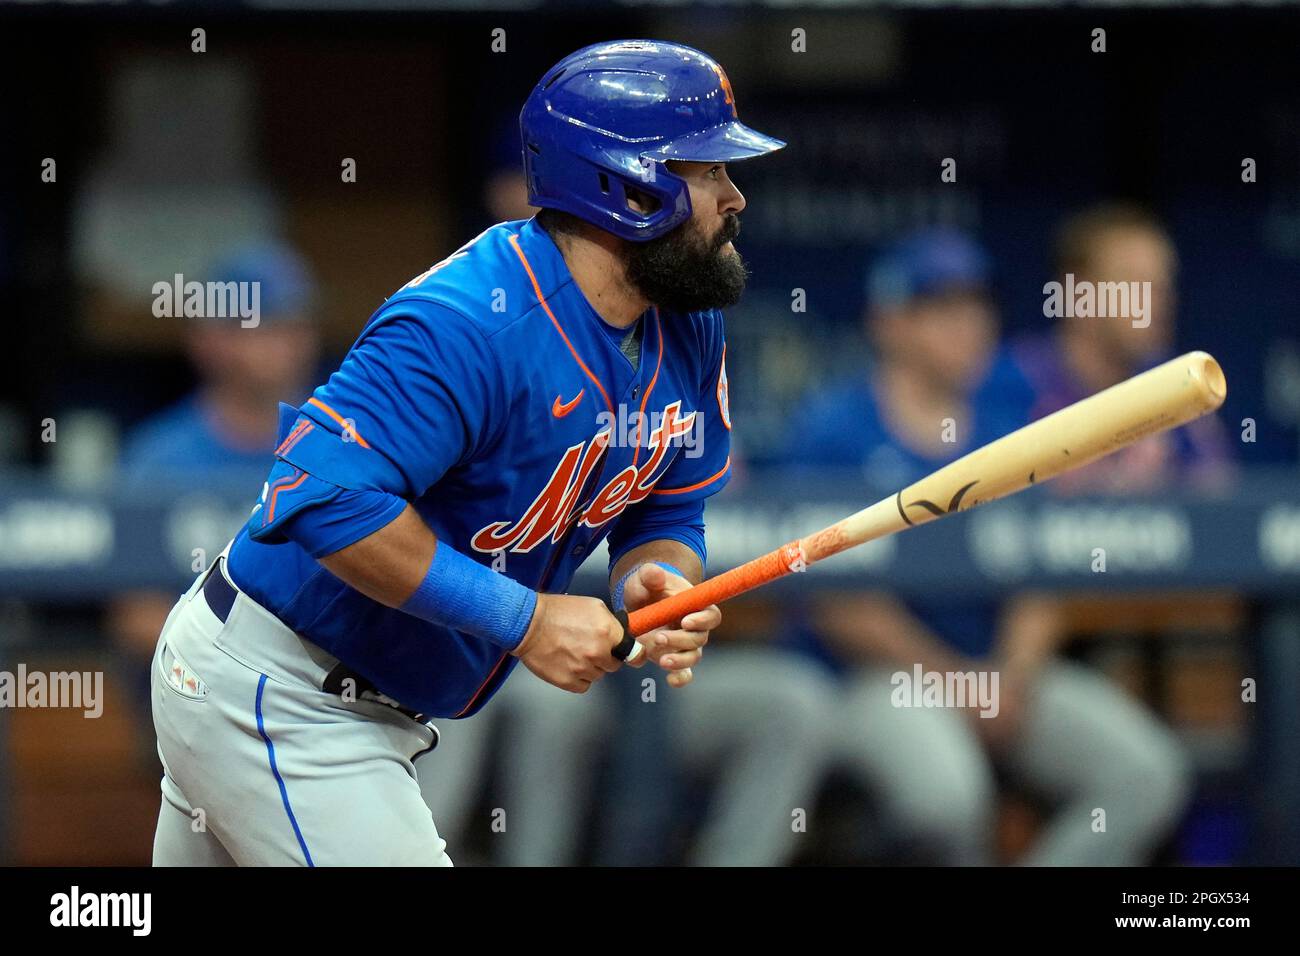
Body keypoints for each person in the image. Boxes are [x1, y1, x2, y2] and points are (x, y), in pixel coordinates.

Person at [150, 39, 785, 866]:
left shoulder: (687, 322)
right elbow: (321, 499)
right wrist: (523, 621)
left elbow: (667, 502)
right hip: (282, 689)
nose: (735, 197)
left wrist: (654, 577)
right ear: (628, 186)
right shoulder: (468, 320)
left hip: (363, 708)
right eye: (709, 173)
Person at [779, 229, 1191, 865]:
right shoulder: (835, 427)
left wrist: (1011, 675)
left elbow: (1040, 573)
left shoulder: (1006, 429)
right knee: (948, 796)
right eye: (941, 308)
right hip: (872, 681)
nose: (967, 325)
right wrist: (953, 683)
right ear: (890, 321)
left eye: (977, 306)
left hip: (1000, 671)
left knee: (1145, 770)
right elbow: (842, 607)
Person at [108, 241, 321, 700]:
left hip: (323, 691)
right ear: (207, 341)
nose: (280, 343)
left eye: (291, 325)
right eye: (257, 327)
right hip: (200, 693)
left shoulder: (341, 444)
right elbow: (137, 619)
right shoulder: (158, 456)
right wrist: (248, 672)